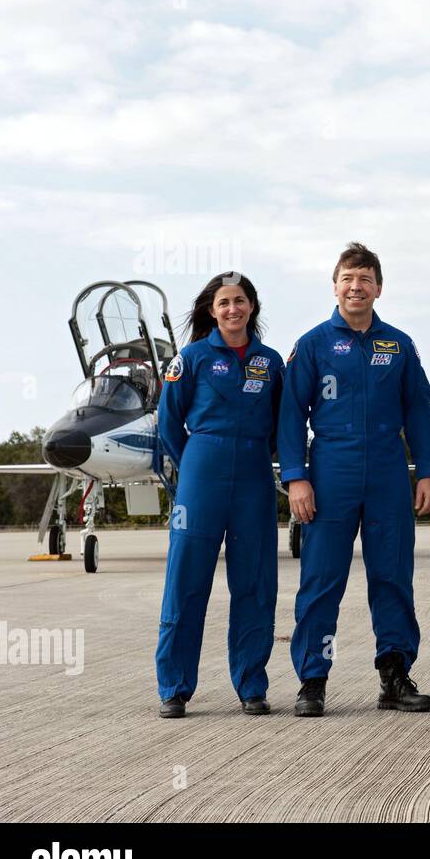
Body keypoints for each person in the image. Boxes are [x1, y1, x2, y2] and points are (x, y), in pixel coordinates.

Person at [278, 242, 430, 717]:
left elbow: (418, 412)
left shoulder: (398, 344)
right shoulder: (312, 345)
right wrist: (296, 478)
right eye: (348, 279)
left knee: (392, 575)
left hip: (388, 470)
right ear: (335, 286)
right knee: (321, 578)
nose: (356, 287)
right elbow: (291, 417)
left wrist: (428, 470)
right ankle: (313, 680)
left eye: (366, 279)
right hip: (331, 468)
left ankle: (394, 676)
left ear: (379, 288)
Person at [155, 273, 283, 718]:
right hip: (201, 475)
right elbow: (169, 423)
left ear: (252, 307)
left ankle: (251, 686)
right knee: (186, 581)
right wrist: (194, 463)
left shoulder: (270, 362)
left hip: (253, 479)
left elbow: (281, 425)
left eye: (241, 301)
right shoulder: (190, 359)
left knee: (255, 584)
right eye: (224, 302)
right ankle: (174, 687)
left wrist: (252, 452)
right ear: (212, 310)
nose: (233, 309)